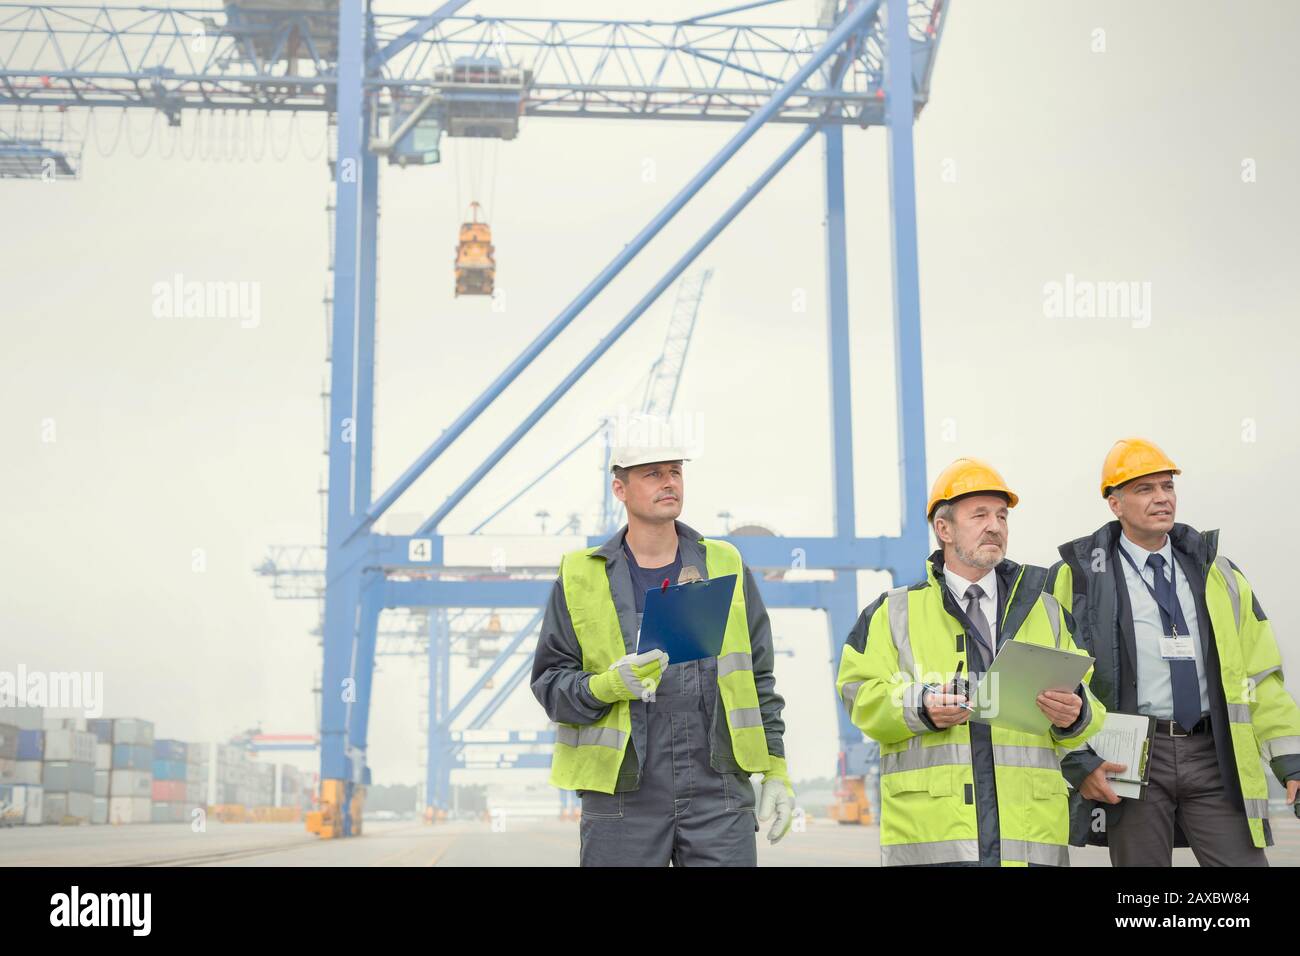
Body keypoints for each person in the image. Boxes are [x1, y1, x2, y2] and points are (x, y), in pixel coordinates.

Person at [531, 436, 794, 865]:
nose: (668, 482)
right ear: (620, 489)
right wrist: (605, 686)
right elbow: (549, 685)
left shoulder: (725, 562)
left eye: (675, 471)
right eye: (652, 473)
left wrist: (777, 768)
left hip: (718, 787)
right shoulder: (581, 574)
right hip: (623, 790)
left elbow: (758, 675)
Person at [837, 457, 1104, 865]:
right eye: (979, 514)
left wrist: (1077, 713)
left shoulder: (1046, 610)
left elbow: (1090, 705)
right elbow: (859, 696)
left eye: (1001, 515)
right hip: (938, 838)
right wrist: (920, 705)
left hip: (1029, 841)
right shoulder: (891, 613)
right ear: (943, 529)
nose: (995, 526)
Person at [1049, 437, 1300, 865]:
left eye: (1167, 487)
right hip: (1129, 755)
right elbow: (1054, 683)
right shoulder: (1076, 578)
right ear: (1115, 503)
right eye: (1145, 489)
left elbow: (1259, 674)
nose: (1162, 498)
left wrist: (1290, 760)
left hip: (1213, 753)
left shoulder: (1217, 571)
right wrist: (1079, 759)